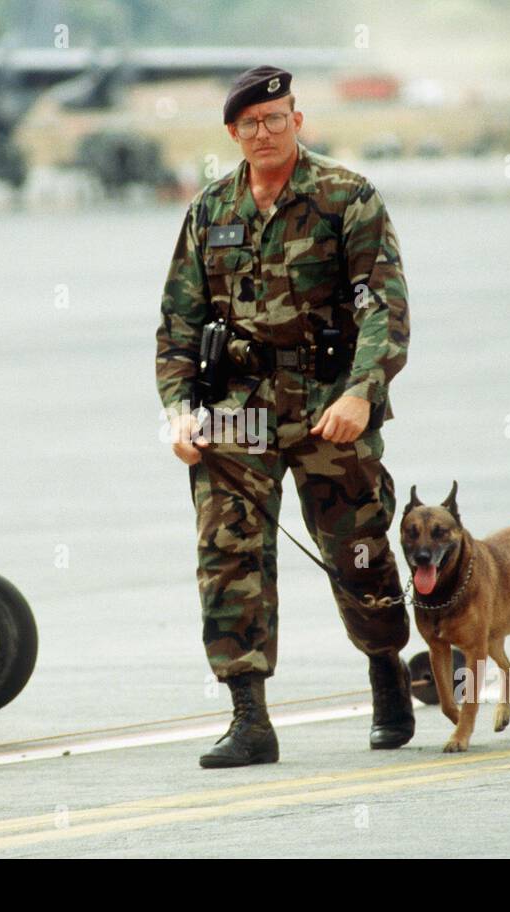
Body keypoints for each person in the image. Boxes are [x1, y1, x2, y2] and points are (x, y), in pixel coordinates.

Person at [156, 65, 413, 768]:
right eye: (250, 124)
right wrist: (180, 412)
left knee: (357, 547)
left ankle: (387, 670)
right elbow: (179, 322)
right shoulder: (211, 210)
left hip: (328, 397)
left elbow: (380, 310)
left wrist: (361, 392)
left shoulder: (346, 198)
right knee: (226, 552)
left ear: (297, 121)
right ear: (233, 133)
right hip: (239, 407)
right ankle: (248, 715)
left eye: (275, 119)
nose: (263, 133)